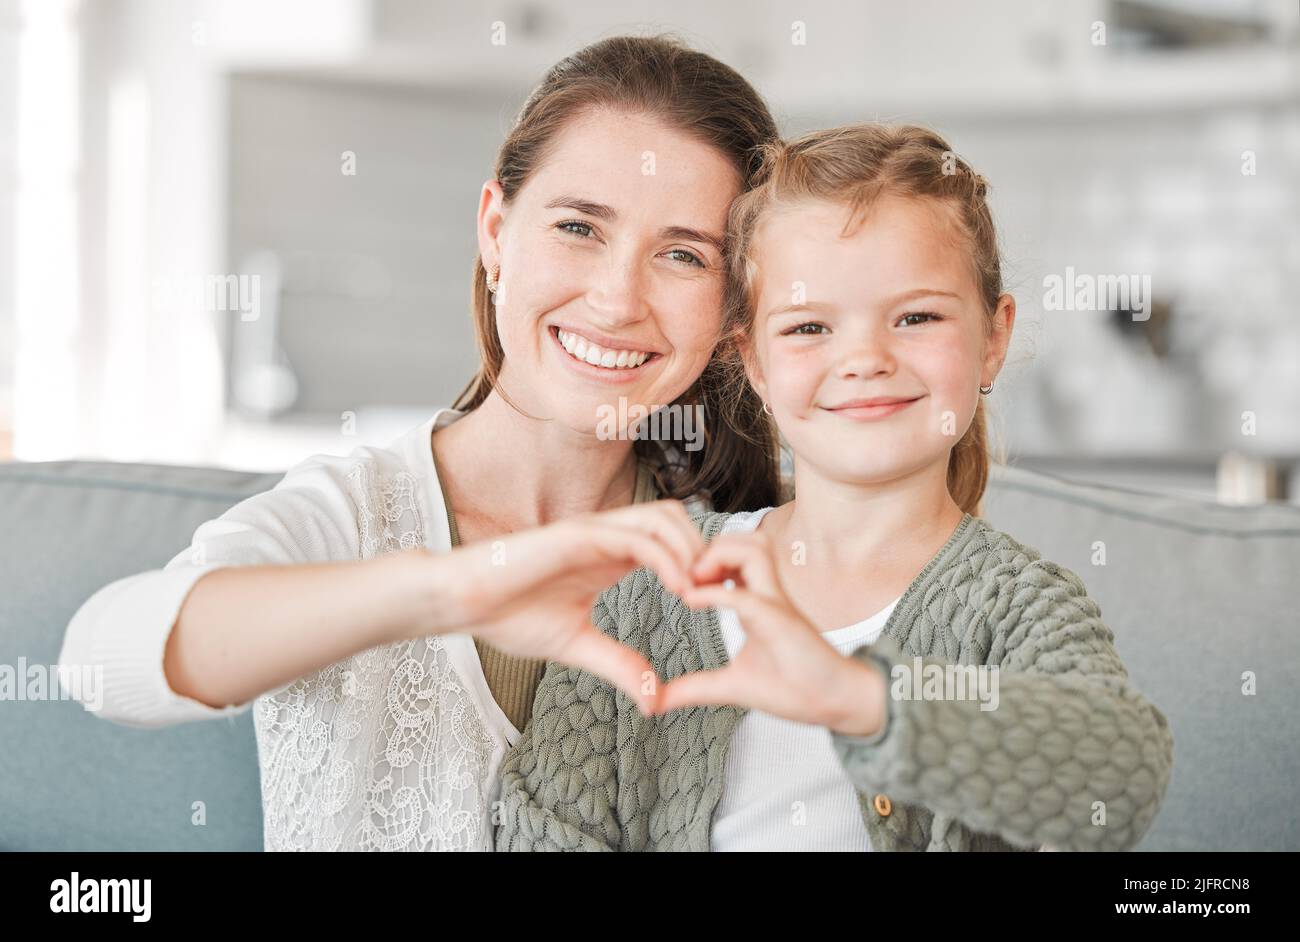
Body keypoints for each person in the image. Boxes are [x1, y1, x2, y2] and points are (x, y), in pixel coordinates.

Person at [56, 35, 781, 851]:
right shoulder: (352, 514)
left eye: (683, 255)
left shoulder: (742, 556)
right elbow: (100, 661)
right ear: (496, 233)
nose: (615, 300)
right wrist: (446, 592)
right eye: (579, 227)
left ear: (731, 315)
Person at [495, 123, 1175, 852]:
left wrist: (857, 700)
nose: (864, 359)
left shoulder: (1014, 606)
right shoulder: (649, 591)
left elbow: (1122, 773)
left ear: (994, 338)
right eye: (809, 327)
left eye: (916, 317)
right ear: (750, 360)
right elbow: (545, 828)